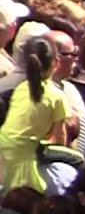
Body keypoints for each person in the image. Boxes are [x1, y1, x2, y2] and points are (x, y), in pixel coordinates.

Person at [0, 37, 68, 193]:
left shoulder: (21, 88)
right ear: (56, 62)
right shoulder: (57, 96)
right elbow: (61, 137)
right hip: (25, 154)